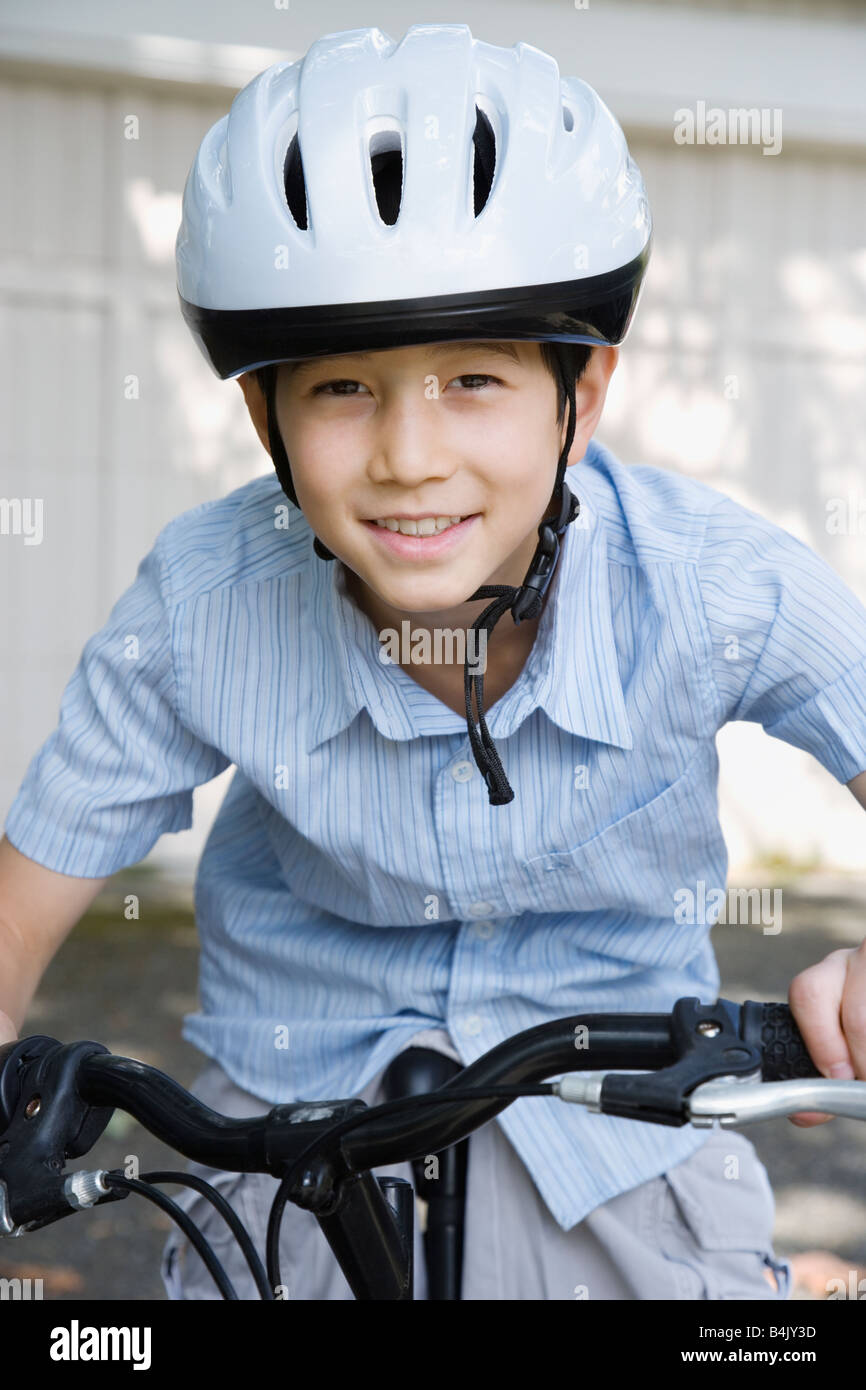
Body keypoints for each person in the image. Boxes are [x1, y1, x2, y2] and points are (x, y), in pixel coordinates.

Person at [2, 22, 866, 1301]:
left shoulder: (709, 583)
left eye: (472, 377)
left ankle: (795, 1282)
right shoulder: (204, 602)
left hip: (613, 1116)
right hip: (292, 1115)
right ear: (263, 414)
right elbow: (29, 891)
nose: (409, 454)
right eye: (343, 387)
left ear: (587, 393)